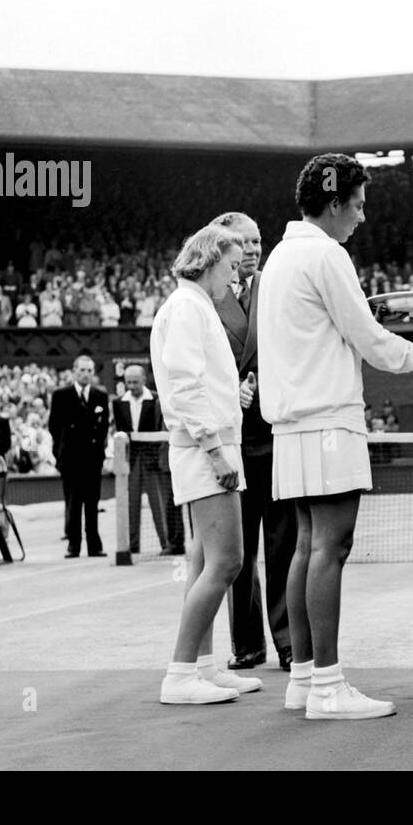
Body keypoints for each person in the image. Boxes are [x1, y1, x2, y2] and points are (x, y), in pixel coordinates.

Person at [258, 152, 413, 720]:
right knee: (332, 546)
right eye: (358, 205)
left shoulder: (279, 257)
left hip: (293, 424)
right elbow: (370, 339)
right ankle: (327, 686)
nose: (362, 217)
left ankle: (303, 678)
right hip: (326, 420)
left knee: (306, 545)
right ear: (333, 202)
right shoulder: (327, 254)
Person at [150, 224, 262, 705]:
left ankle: (203, 668)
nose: (236, 278)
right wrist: (216, 452)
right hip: (204, 450)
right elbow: (183, 384)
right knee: (228, 560)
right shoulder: (187, 307)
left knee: (206, 561)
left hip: (209, 444)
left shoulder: (192, 306)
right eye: (233, 266)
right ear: (213, 260)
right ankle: (179, 675)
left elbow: (200, 382)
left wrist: (231, 399)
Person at [211, 210, 297, 672]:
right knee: (237, 551)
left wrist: (261, 379)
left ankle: (287, 643)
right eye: (242, 243)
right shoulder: (205, 296)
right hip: (230, 442)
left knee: (284, 543)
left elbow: (295, 342)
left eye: (257, 240)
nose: (252, 250)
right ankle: (247, 644)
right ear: (221, 248)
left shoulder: (277, 283)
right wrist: (233, 390)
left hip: (275, 433)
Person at [48, 353, 110, 558]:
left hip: (92, 458)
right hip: (71, 458)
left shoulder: (100, 396)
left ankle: (94, 545)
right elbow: (54, 427)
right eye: (82, 370)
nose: (85, 374)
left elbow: (102, 429)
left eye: (89, 370)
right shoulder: (61, 395)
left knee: (92, 503)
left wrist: (99, 453)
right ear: (74, 371)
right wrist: (61, 452)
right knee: (73, 503)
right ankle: (73, 545)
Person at [111, 364, 174, 555]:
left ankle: (166, 543)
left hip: (152, 459)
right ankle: (132, 544)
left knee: (158, 504)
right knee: (130, 503)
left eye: (135, 382)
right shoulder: (118, 402)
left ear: (144, 380)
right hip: (130, 460)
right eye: (128, 382)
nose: (132, 386)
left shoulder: (156, 399)